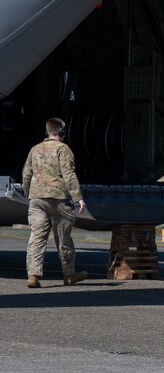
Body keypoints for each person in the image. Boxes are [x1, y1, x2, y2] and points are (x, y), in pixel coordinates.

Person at [22, 117, 88, 288]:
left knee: (37, 237)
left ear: (47, 132)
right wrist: (78, 197)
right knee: (63, 237)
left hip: (36, 199)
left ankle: (33, 275)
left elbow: (26, 175)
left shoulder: (34, 149)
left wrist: (30, 194)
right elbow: (69, 175)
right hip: (58, 199)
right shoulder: (63, 149)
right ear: (61, 132)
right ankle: (69, 274)